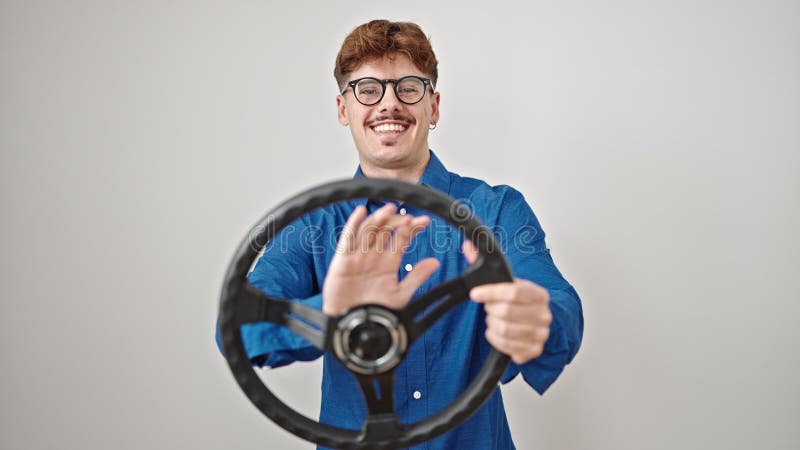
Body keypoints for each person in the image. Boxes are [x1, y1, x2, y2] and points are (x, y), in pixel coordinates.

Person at [217, 19, 583, 450]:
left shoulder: (496, 210)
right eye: (368, 90)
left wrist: (537, 320)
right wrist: (330, 313)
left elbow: (559, 304)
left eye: (408, 88)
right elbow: (237, 328)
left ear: (434, 106)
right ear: (343, 109)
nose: (389, 104)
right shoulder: (313, 224)